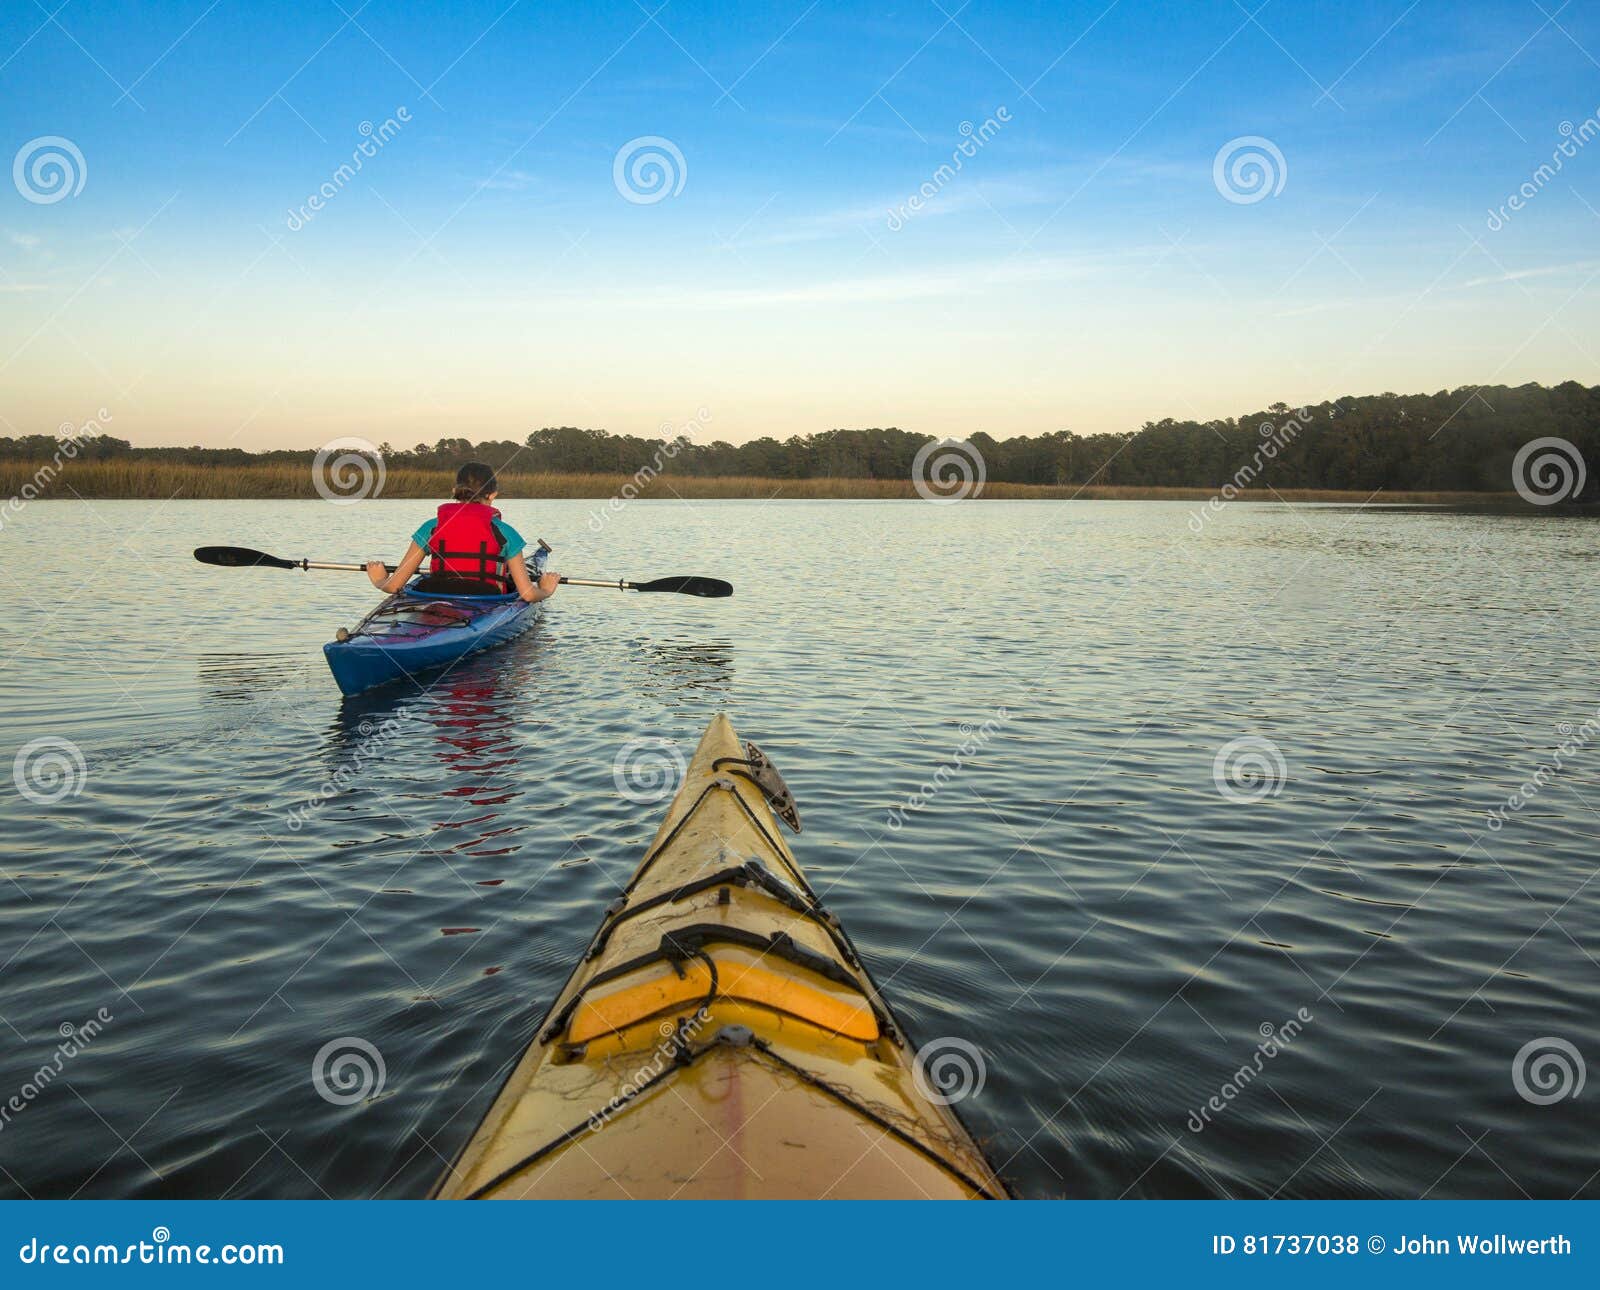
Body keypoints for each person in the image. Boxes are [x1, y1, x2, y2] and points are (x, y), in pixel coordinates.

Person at [365, 461, 560, 603]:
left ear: (454, 490)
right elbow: (527, 595)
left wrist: (379, 579)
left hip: (435, 595)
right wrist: (545, 590)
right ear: (493, 495)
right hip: (486, 599)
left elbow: (393, 586)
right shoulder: (506, 532)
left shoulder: (431, 527)